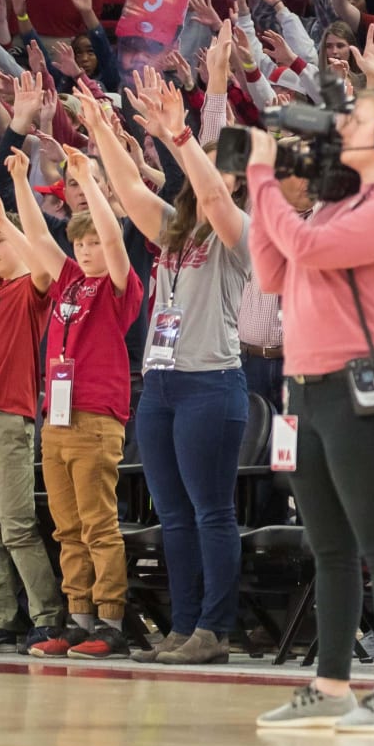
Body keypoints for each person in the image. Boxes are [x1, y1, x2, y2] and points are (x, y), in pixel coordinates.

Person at [248, 77, 374, 729]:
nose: (345, 123)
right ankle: (331, 685)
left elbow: (305, 249)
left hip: (362, 389)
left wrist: (265, 180)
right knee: (326, 547)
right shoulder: (338, 204)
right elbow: (274, 271)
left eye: (362, 116)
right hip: (304, 389)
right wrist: (269, 191)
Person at [93, 38, 251, 667]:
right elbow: (129, 191)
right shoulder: (176, 230)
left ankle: (216, 628)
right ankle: (184, 625)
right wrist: (102, 129)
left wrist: (183, 135)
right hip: (159, 384)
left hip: (211, 383)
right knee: (172, 512)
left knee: (211, 511)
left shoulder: (239, 229)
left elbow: (213, 195)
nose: (208, 176)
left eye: (218, 166)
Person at [0, 145, 143, 660]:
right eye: (79, 245)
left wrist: (90, 185)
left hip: (95, 418)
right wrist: (16, 186)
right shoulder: (70, 284)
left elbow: (114, 239)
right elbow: (36, 237)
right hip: (55, 422)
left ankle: (111, 621)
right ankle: (78, 619)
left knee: (99, 525)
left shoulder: (120, 287)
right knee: (67, 527)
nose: (85, 252)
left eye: (93, 245)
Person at [0, 189, 62, 657]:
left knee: (16, 524)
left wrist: (6, 224)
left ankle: (47, 616)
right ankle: (1, 619)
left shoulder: (28, 289)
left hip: (8, 419)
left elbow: (43, 267)